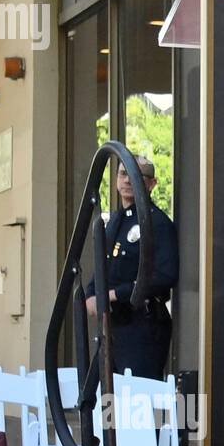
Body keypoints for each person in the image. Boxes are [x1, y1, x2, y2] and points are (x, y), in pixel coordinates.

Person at [84, 154, 178, 379]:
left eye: (137, 176)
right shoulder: (115, 220)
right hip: (113, 325)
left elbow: (166, 275)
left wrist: (116, 294)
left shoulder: (158, 223)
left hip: (142, 325)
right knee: (106, 402)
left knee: (136, 404)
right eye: (123, 174)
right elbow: (104, 266)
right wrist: (90, 294)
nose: (128, 180)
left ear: (152, 184)